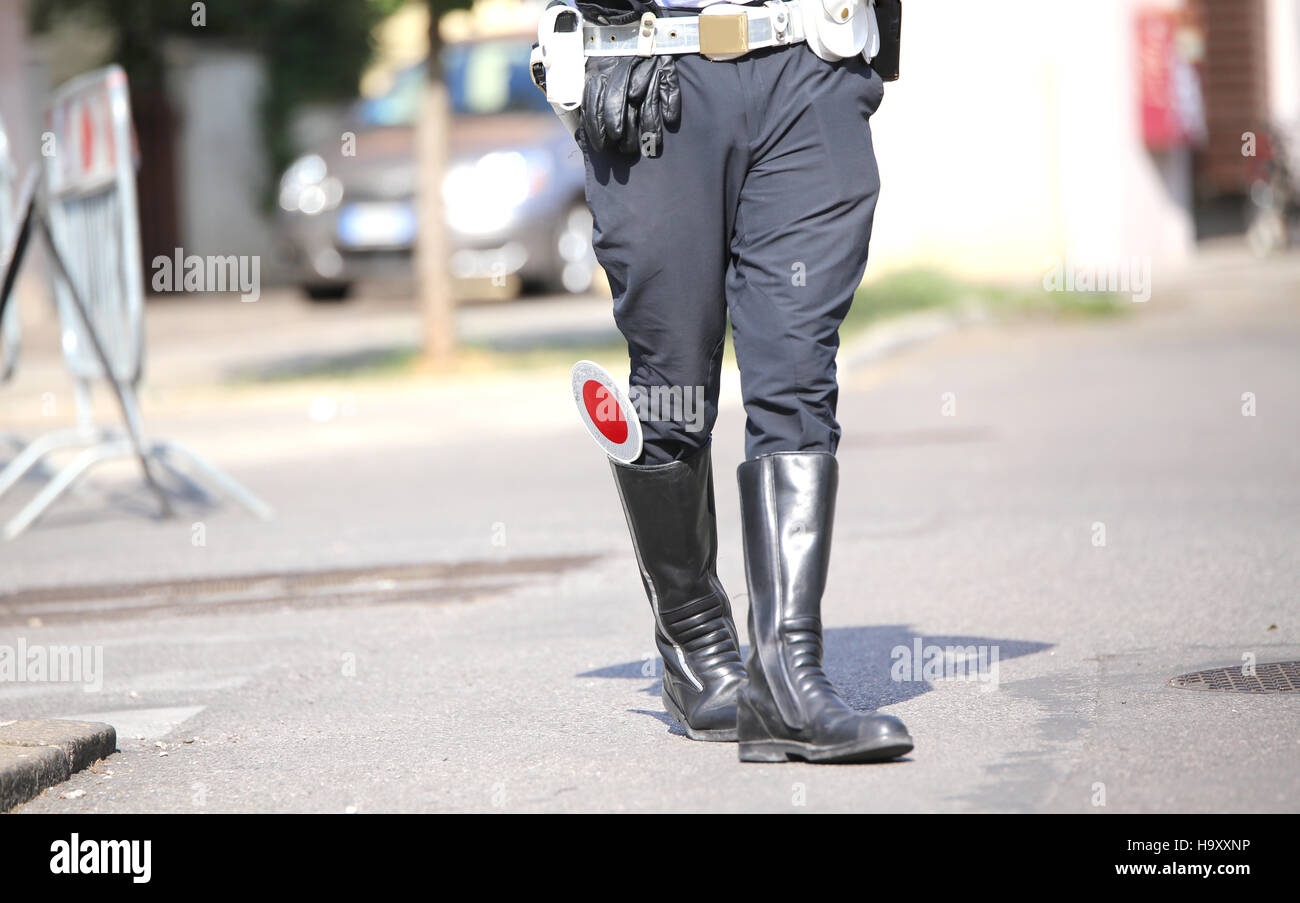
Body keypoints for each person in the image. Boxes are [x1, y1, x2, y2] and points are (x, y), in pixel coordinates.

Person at [550, 0, 911, 763]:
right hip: (656, 72)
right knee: (673, 389)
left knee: (797, 367)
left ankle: (787, 672)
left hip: (810, 65)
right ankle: (697, 646)